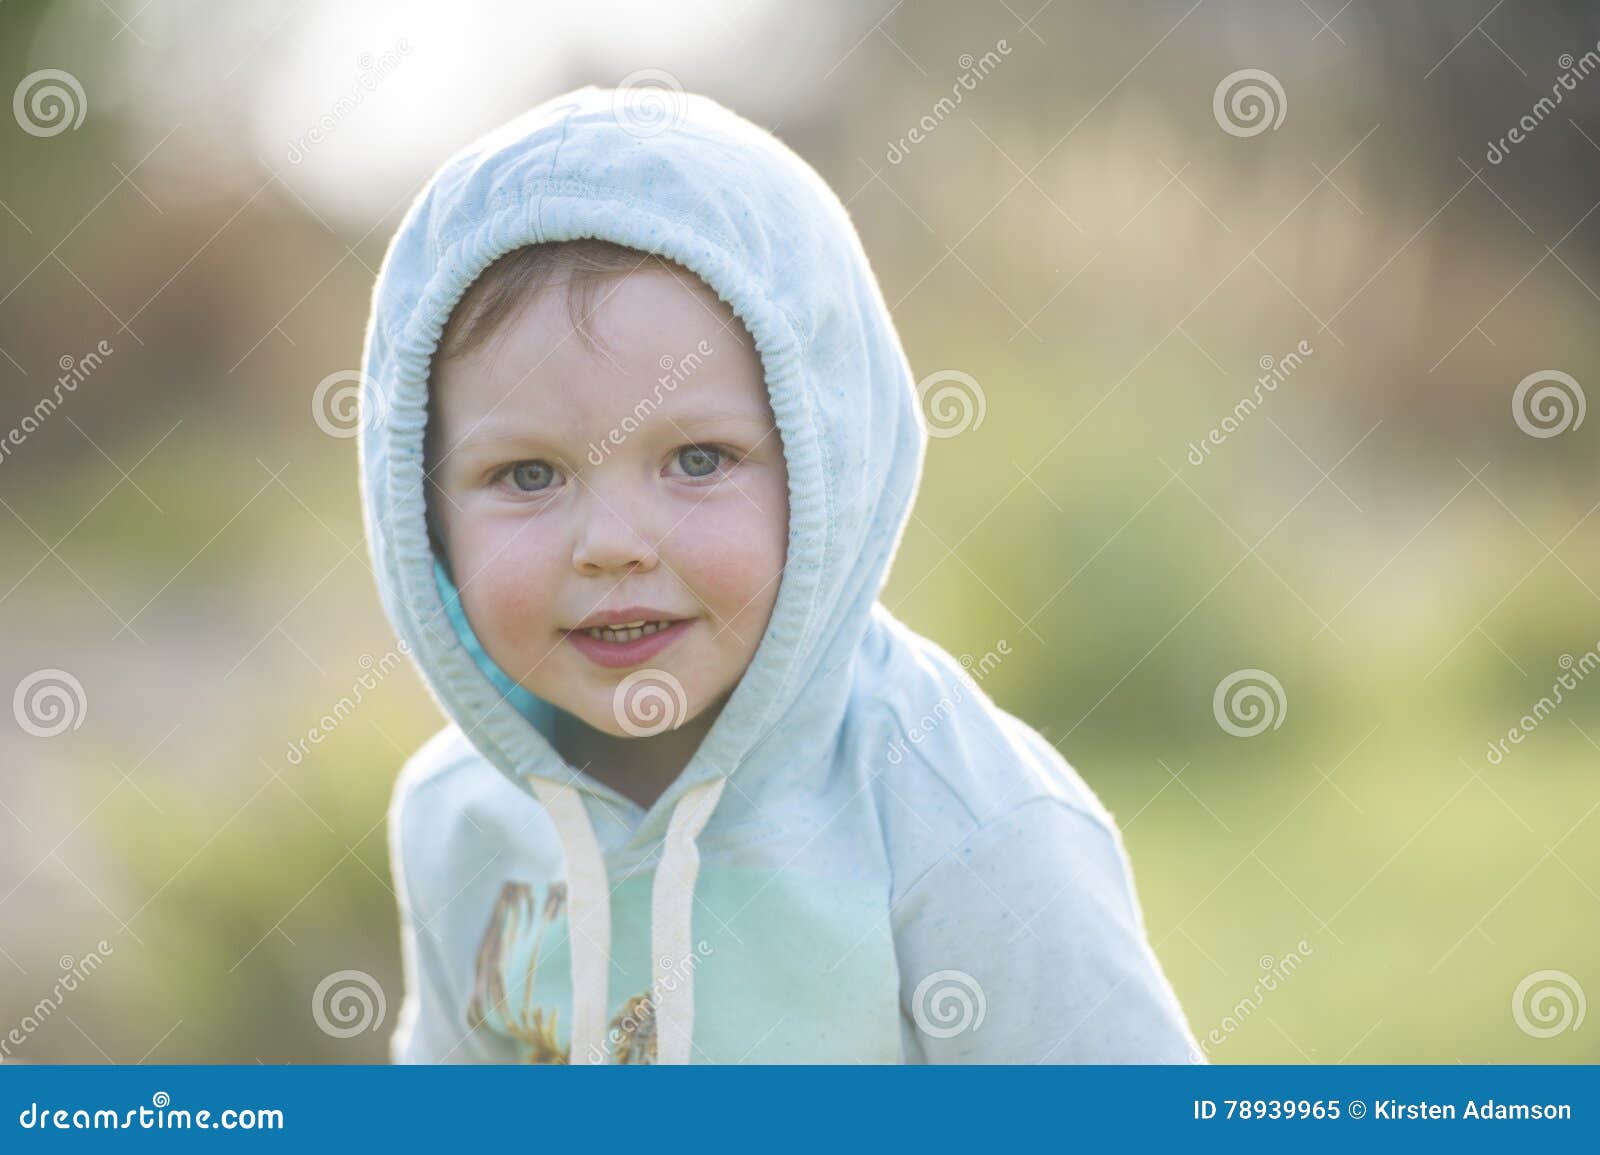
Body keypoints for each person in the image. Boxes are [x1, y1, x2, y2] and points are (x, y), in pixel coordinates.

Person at [358, 86, 1200, 1064]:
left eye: (700, 459)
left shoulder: (962, 824)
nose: (612, 544)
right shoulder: (455, 817)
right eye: (528, 475)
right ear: (422, 510)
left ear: (822, 464)